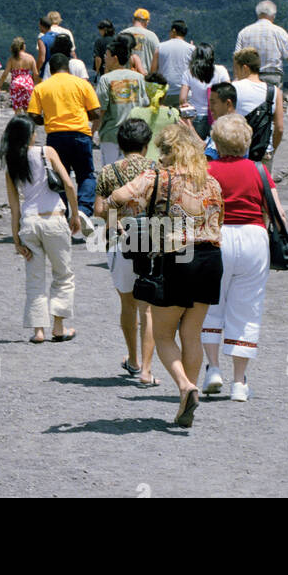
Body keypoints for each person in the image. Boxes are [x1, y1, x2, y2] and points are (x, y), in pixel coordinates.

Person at [108, 123, 224, 429]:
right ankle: (188, 394)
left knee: (162, 335)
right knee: (192, 333)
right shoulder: (210, 179)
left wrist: (112, 215)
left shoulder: (158, 175)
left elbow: (118, 196)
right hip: (211, 260)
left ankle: (185, 387)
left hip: (175, 258)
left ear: (167, 150)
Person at [201, 113, 288, 402]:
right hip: (253, 238)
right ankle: (239, 383)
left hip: (217, 237)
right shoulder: (259, 171)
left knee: (211, 305)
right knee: (247, 308)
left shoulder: (206, 169)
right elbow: (279, 215)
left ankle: (213, 368)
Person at [0, 113, 82, 343]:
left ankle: (38, 331)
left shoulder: (11, 164)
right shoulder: (47, 152)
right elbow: (68, 184)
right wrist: (75, 213)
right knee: (63, 274)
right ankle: (58, 328)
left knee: (35, 277)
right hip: (53, 219)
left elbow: (14, 208)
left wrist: (16, 240)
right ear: (30, 134)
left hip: (29, 223)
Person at [93, 117, 158, 385]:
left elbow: (98, 211)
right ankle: (146, 370)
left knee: (127, 303)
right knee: (149, 308)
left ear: (120, 144)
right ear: (146, 145)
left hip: (120, 242)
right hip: (152, 243)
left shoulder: (108, 172)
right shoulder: (158, 170)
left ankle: (133, 359)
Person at [26, 51, 101, 221]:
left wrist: (46, 118)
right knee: (86, 174)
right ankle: (83, 210)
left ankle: (64, 213)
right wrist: (81, 114)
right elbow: (96, 112)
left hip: (55, 137)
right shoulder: (82, 84)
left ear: (51, 70)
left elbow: (32, 115)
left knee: (59, 176)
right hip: (80, 133)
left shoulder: (41, 88)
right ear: (68, 68)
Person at [95, 37, 148, 167]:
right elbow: (145, 103)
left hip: (111, 134)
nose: (104, 58)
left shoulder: (105, 79)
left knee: (110, 172)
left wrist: (94, 131)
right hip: (134, 135)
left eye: (106, 55)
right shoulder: (139, 78)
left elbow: (100, 109)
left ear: (115, 58)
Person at [235, 0, 288, 88]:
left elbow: (237, 58)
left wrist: (237, 78)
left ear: (258, 14)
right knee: (273, 100)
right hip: (273, 78)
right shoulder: (279, 32)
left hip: (250, 77)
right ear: (273, 15)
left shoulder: (244, 32)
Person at [232, 47, 283, 163]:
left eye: (236, 69)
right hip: (263, 152)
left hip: (238, 152)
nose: (235, 73)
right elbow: (279, 128)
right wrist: (271, 150)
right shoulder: (274, 91)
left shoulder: (233, 87)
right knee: (263, 181)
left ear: (245, 68)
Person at [179, 42, 230, 139]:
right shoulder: (221, 70)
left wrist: (187, 105)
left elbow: (182, 98)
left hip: (196, 115)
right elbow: (228, 90)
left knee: (196, 146)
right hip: (216, 115)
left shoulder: (189, 73)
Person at [127, 73, 180, 163]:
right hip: (165, 163)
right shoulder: (173, 113)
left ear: (147, 91)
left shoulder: (135, 112)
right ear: (164, 93)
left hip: (140, 162)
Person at [0, 37, 38, 114]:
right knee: (28, 110)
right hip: (28, 84)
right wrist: (36, 85)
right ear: (23, 46)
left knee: (17, 110)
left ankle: (18, 124)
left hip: (16, 84)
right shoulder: (30, 58)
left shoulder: (12, 59)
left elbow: (5, 74)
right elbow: (35, 73)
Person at [157, 21, 193, 96]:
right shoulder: (192, 49)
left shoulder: (160, 47)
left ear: (174, 31)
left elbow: (153, 71)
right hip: (184, 93)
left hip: (164, 93)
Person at [119, 9, 159, 76]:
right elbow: (158, 56)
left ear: (133, 20)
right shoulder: (151, 36)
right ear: (147, 22)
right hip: (145, 77)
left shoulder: (122, 34)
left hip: (125, 77)